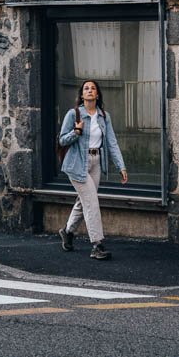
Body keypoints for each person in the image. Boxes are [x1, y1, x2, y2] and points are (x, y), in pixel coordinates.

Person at [58, 78, 127, 260]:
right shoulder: (74, 114)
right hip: (77, 163)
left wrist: (121, 166)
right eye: (86, 88)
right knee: (91, 202)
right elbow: (62, 140)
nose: (89, 90)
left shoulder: (104, 116)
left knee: (85, 201)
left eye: (93, 88)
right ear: (82, 95)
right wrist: (76, 132)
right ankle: (97, 244)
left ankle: (67, 232)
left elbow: (111, 142)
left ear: (97, 94)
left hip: (96, 162)